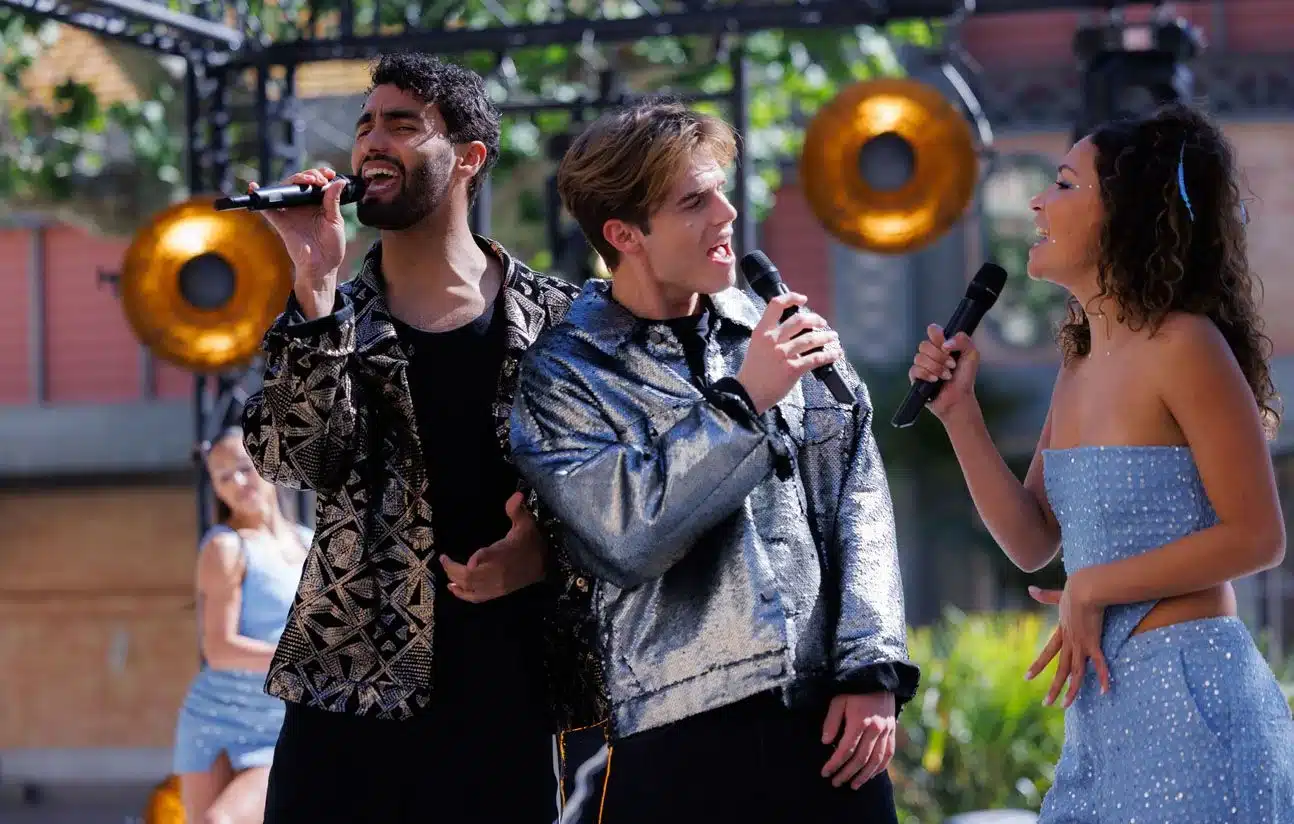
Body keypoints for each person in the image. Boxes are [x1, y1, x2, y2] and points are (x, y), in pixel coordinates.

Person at [509, 98, 920, 823]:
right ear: (623, 234)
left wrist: (873, 669)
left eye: (720, 189)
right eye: (694, 200)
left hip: (829, 718)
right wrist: (744, 403)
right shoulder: (562, 372)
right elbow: (626, 535)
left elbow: (857, 498)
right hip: (673, 735)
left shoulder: (777, 330)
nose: (727, 213)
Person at [240, 52, 605, 824]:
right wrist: (314, 285)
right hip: (346, 701)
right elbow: (293, 459)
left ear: (469, 157)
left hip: (503, 700)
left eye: (402, 125)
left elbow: (623, 495)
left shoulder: (562, 320)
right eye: (365, 125)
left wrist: (546, 553)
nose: (371, 142)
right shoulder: (335, 316)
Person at [907, 102, 1294, 822]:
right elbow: (1031, 540)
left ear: (1126, 213)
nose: (1036, 201)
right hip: (1103, 715)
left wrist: (1095, 587)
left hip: (1193, 701)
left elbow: (1258, 535)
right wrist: (960, 414)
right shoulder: (1077, 359)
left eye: (1062, 183)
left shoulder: (1185, 344)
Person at [173, 426, 310, 824]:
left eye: (244, 468)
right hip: (217, 714)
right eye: (222, 476)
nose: (237, 481)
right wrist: (301, 660)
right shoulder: (225, 545)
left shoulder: (309, 542)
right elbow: (219, 649)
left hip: (281, 722)